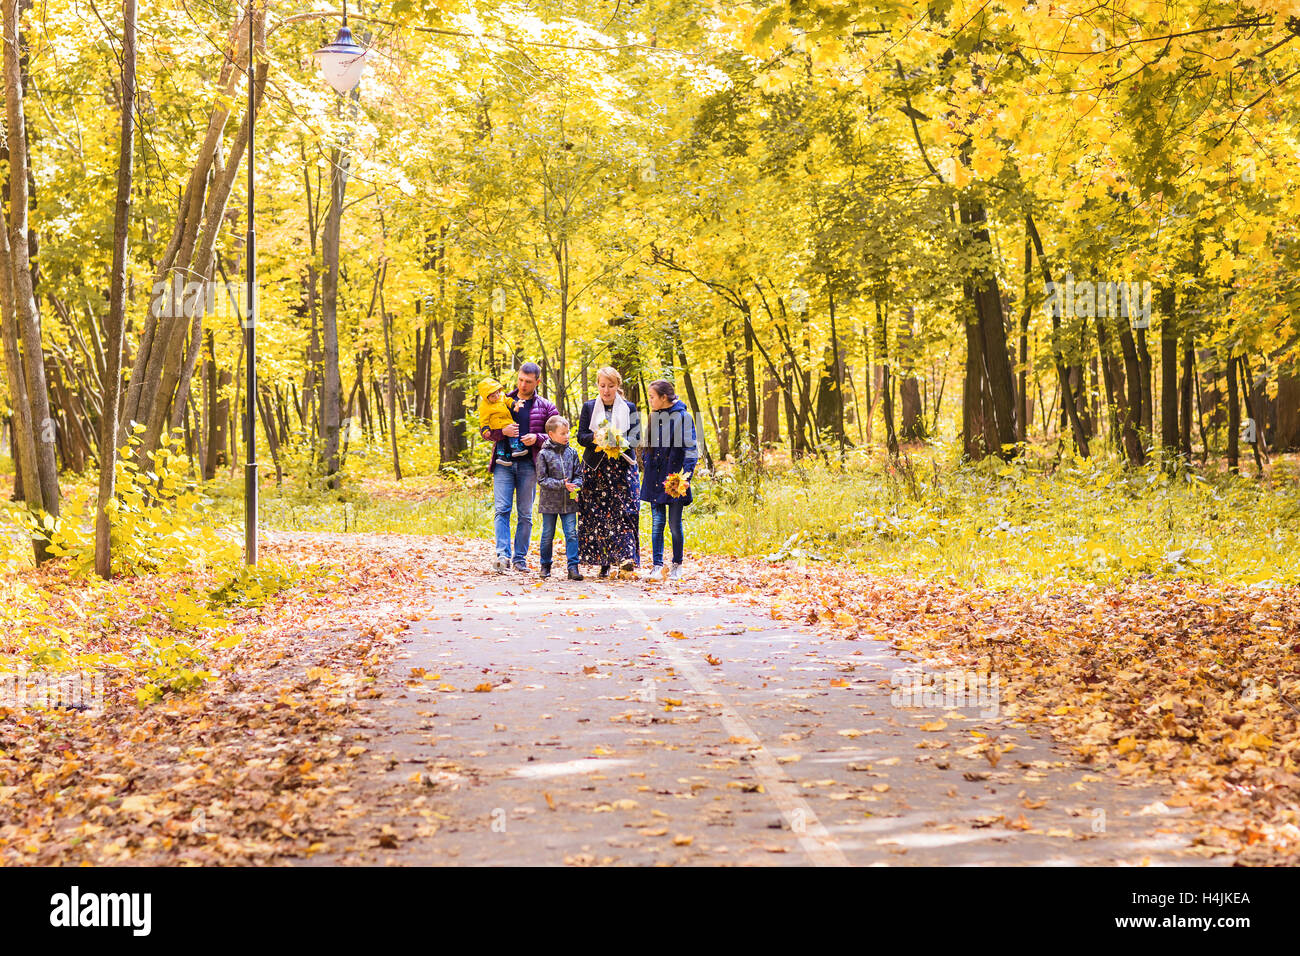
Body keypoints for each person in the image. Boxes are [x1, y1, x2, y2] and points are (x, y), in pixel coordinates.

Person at [478, 363, 558, 573]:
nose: (523, 385)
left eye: (528, 382)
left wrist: (537, 438)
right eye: (520, 380)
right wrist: (501, 431)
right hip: (503, 464)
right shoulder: (501, 399)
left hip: (529, 465)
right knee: (502, 510)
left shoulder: (546, 407)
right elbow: (484, 430)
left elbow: (558, 435)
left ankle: (520, 558)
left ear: (537, 382)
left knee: (525, 513)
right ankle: (502, 556)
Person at [576, 366, 641, 577]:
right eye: (602, 386)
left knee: (625, 511)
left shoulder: (629, 408)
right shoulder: (589, 407)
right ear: (598, 385)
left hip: (622, 466)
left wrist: (619, 441)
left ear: (617, 386)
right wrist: (597, 438)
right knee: (598, 514)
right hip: (596, 467)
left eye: (611, 386)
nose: (606, 390)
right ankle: (603, 560)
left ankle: (625, 558)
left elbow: (636, 438)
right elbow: (581, 436)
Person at [640, 380, 699, 580]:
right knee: (657, 523)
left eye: (652, 396)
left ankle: (677, 564)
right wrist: (646, 461)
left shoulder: (684, 417)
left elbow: (691, 451)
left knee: (674, 524)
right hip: (654, 478)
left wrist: (686, 476)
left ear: (664, 397)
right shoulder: (654, 416)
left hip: (675, 480)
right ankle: (657, 566)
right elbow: (647, 446)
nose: (650, 400)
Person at [534, 415, 585, 581]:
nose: (567, 436)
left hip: (569, 503)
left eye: (568, 432)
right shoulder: (543, 454)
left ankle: (573, 567)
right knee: (548, 534)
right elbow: (542, 480)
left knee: (571, 533)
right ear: (551, 434)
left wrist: (575, 486)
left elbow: (578, 475)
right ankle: (545, 565)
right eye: (562, 433)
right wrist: (561, 484)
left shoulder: (572, 452)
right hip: (549, 503)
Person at [476, 378, 528, 468]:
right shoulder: (485, 407)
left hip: (506, 421)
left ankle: (514, 449)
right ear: (486, 397)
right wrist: (485, 430)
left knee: (511, 431)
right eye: (493, 396)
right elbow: (483, 420)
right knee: (501, 439)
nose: (496, 396)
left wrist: (515, 404)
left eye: (497, 393)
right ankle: (503, 454)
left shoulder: (501, 396)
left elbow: (508, 400)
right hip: (496, 425)